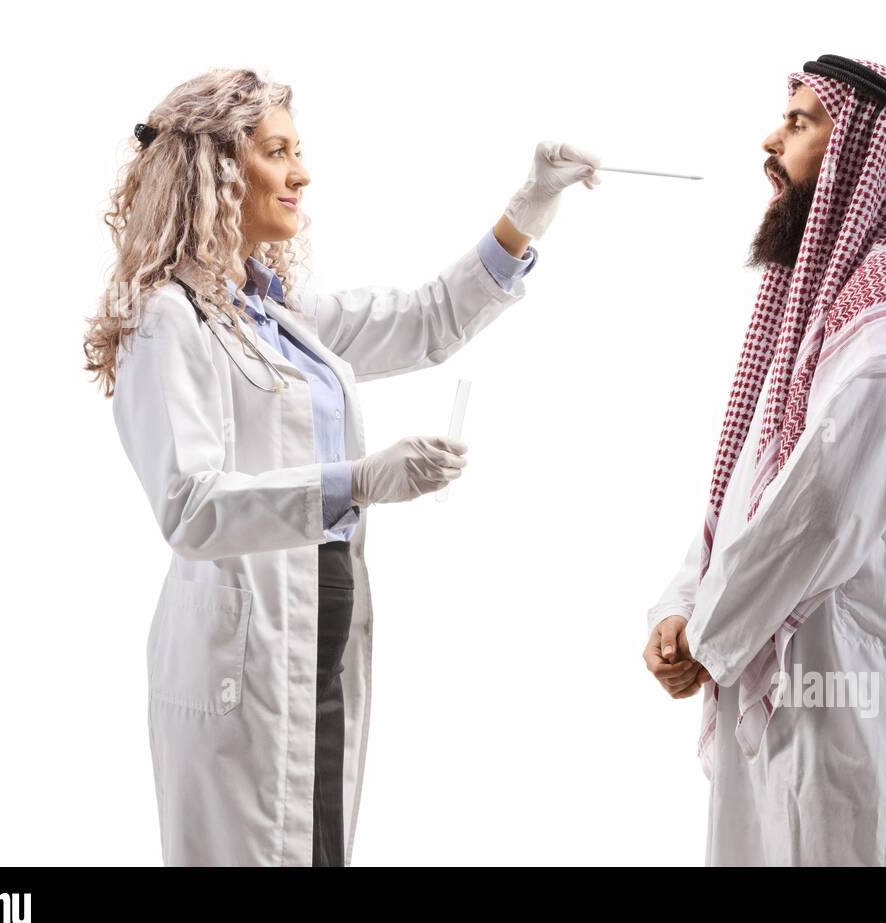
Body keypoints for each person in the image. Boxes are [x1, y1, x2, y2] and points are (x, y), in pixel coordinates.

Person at [83, 68, 599, 866]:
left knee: (318, 849)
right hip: (244, 649)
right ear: (220, 169)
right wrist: (354, 483)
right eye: (279, 151)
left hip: (320, 629)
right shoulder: (168, 319)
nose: (302, 172)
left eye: (299, 150)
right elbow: (189, 508)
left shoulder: (278, 313)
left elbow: (427, 319)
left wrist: (527, 210)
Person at [643, 55, 886, 866]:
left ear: (859, 149)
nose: (770, 139)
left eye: (801, 120)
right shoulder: (833, 304)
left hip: (863, 690)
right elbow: (758, 474)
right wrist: (679, 607)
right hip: (791, 680)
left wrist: (709, 638)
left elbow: (824, 509)